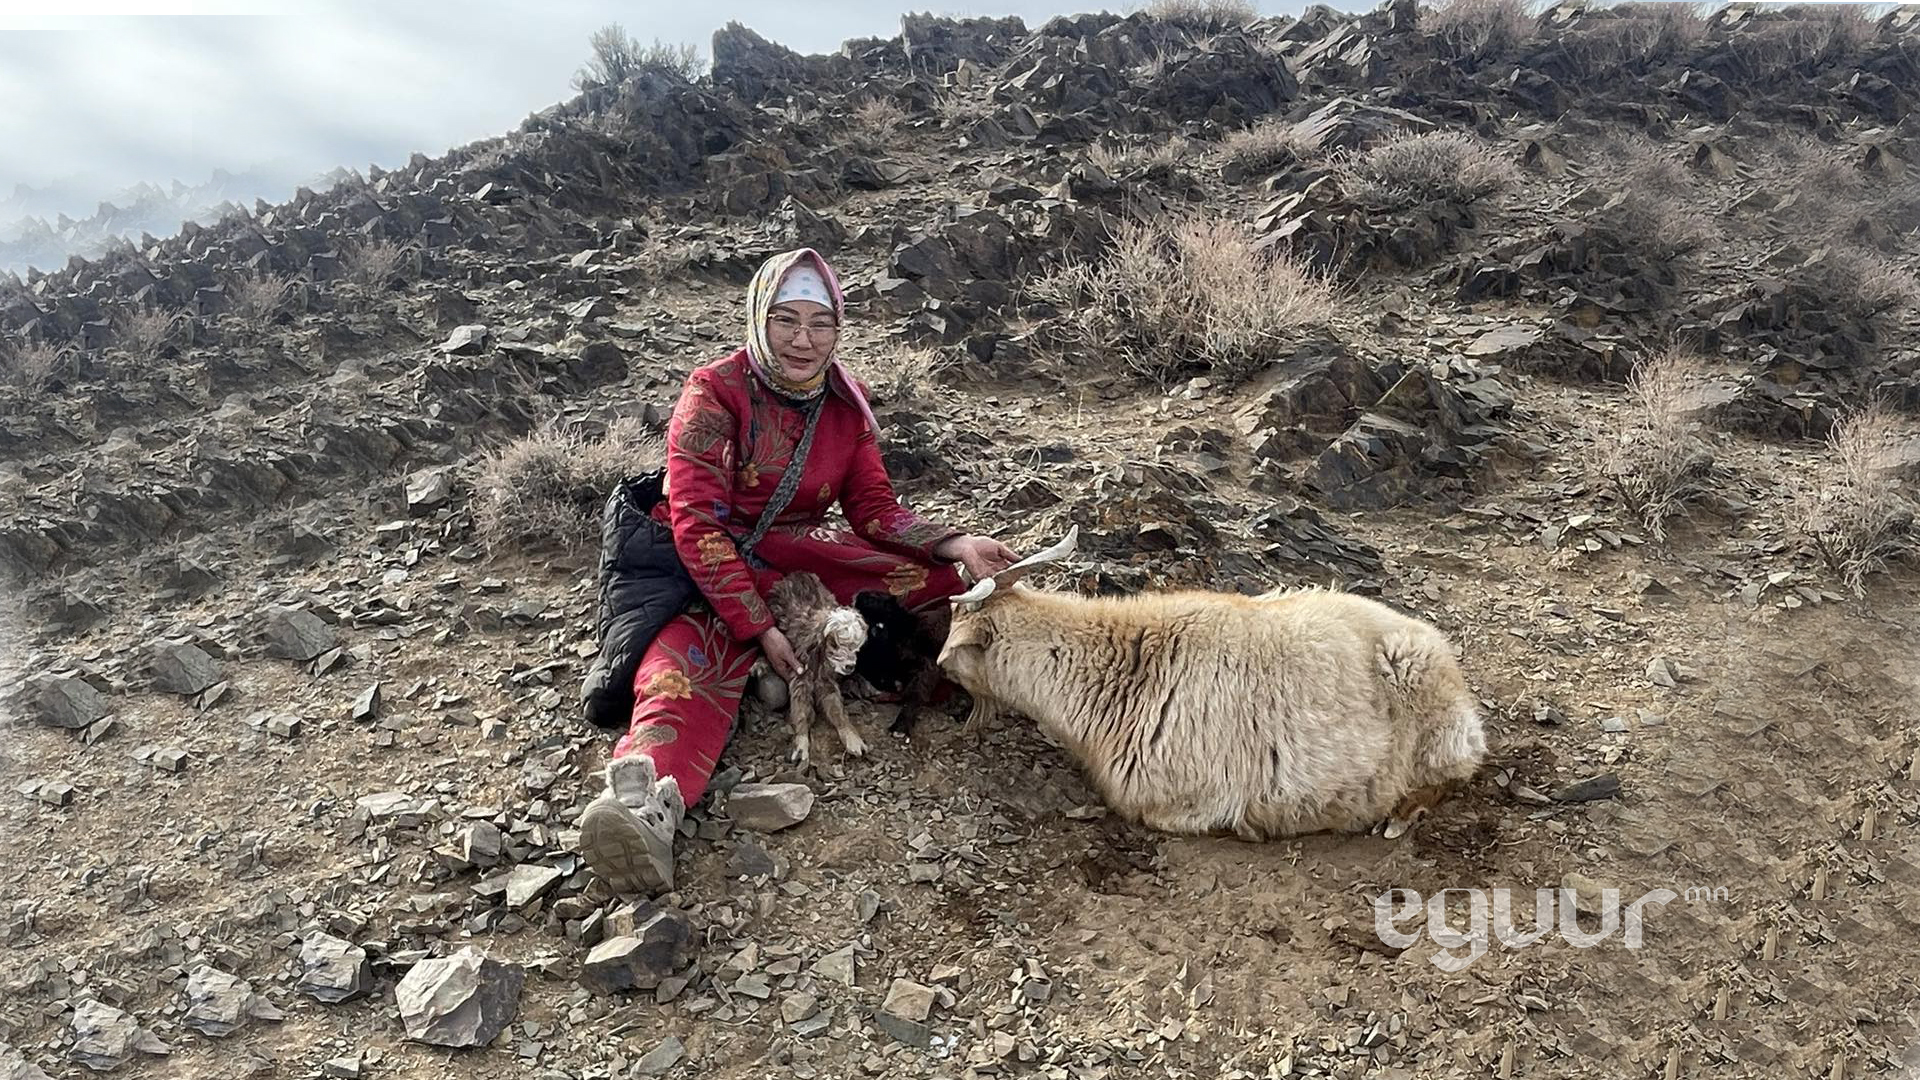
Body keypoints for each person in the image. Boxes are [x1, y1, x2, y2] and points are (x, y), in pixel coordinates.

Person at [577, 247, 1018, 895]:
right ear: (759, 317)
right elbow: (697, 524)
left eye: (821, 323)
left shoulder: (846, 404)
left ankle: (1006, 669)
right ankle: (643, 808)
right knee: (678, 672)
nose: (804, 341)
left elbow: (872, 510)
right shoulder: (714, 393)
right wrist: (761, 628)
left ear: (839, 327)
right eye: (786, 320)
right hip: (704, 569)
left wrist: (955, 545)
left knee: (947, 583)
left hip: (794, 557)